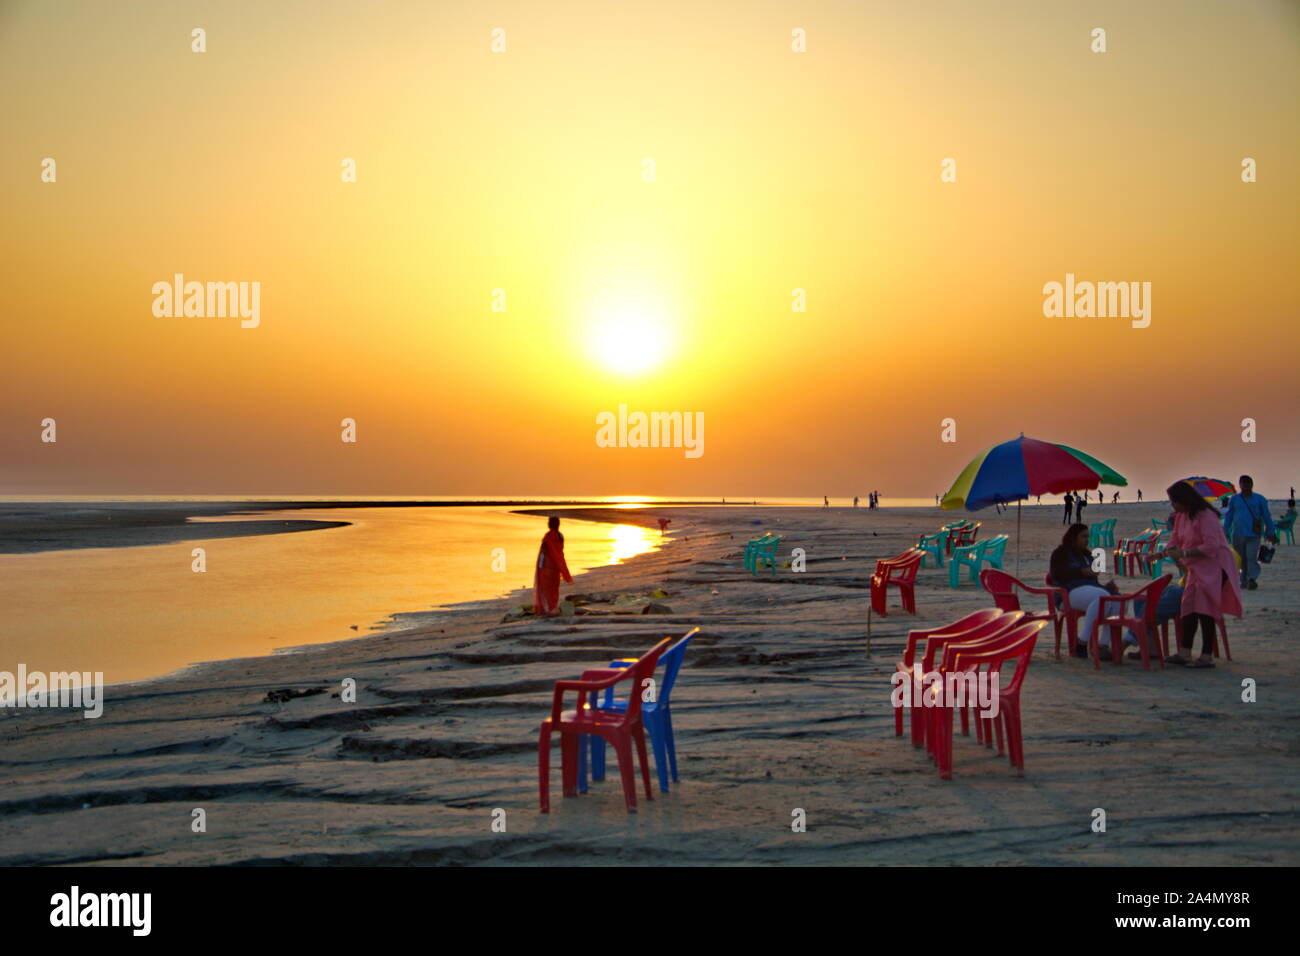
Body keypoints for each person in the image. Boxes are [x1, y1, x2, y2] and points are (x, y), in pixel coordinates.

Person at [1150, 481, 1242, 667]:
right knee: (1188, 607)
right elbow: (1175, 540)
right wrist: (1161, 554)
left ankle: (1206, 656)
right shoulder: (1181, 517)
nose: (1172, 505)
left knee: (1205, 609)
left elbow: (1211, 546)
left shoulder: (1206, 516)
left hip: (1214, 566)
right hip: (1195, 568)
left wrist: (1184, 553)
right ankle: (1185, 652)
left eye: (1174, 501)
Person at [1050, 523, 1118, 659]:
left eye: (1088, 537)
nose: (1087, 540)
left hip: (1088, 590)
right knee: (1101, 597)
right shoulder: (1060, 553)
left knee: (1117, 600)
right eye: (1083, 537)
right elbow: (1057, 574)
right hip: (1068, 593)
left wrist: (1107, 586)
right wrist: (1081, 571)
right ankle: (1082, 642)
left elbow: (1093, 581)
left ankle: (1103, 645)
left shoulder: (1087, 555)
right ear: (1073, 537)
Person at [1221, 475, 1278, 590]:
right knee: (1241, 558)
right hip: (1238, 534)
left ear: (1252, 484)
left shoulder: (1259, 499)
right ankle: (1243, 580)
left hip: (1254, 534)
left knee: (1251, 557)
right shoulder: (1235, 499)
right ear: (1240, 485)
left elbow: (1267, 516)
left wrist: (1270, 531)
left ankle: (1252, 579)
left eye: (1248, 483)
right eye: (1243, 483)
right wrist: (1225, 531)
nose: (1245, 485)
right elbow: (1229, 516)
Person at [532, 516, 573, 616]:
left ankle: (547, 608)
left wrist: (540, 566)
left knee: (546, 587)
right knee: (554, 587)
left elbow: (544, 552)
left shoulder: (548, 536)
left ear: (550, 524)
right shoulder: (560, 536)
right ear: (558, 525)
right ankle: (552, 607)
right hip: (556, 565)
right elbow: (559, 551)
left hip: (547, 566)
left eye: (549, 522)